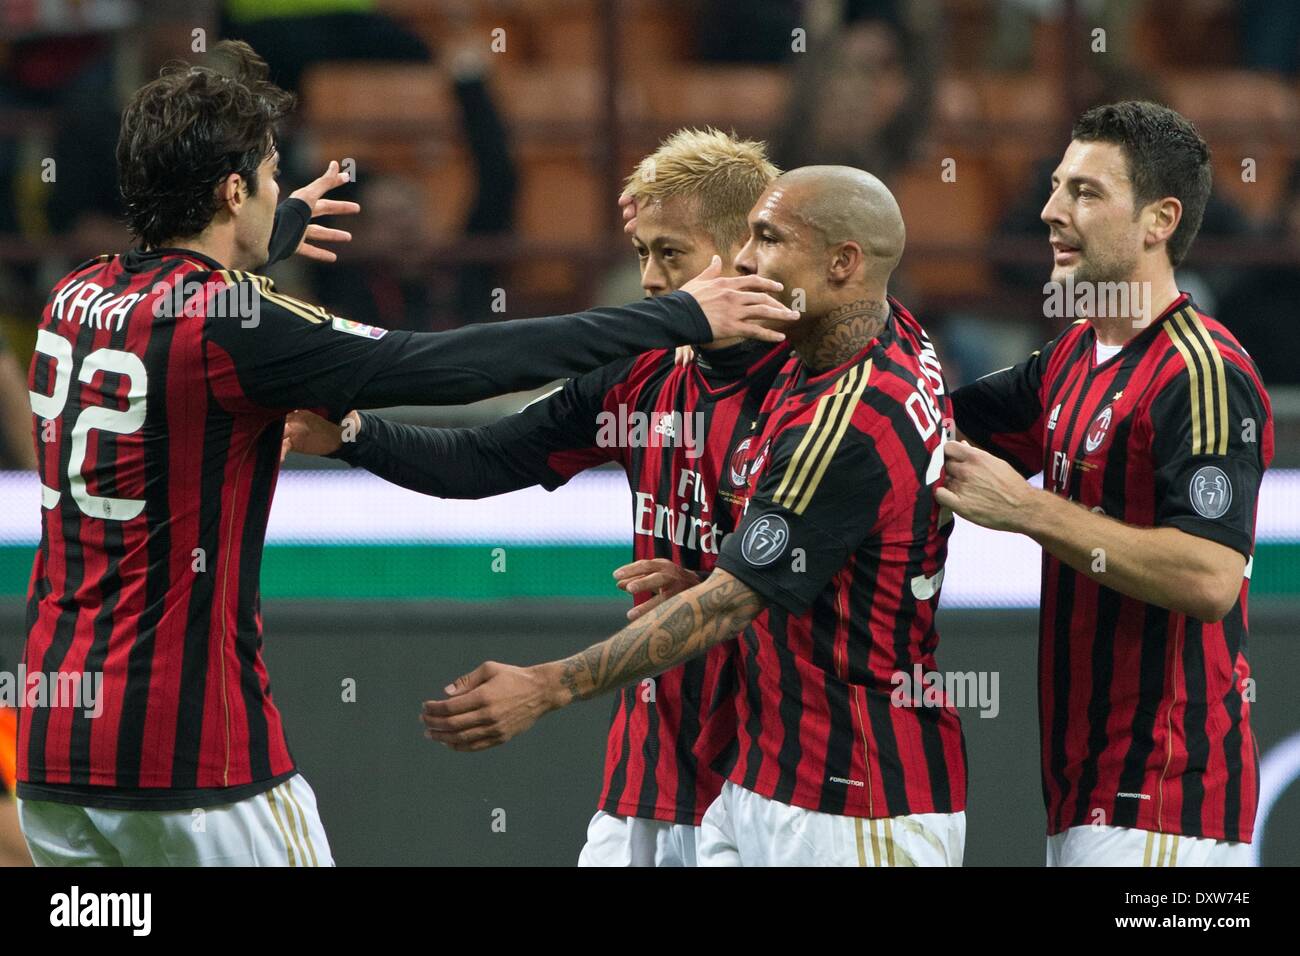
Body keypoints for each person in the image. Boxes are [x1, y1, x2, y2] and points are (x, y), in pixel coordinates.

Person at [15, 41, 793, 868]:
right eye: (273, 178)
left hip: (56, 753)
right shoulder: (236, 323)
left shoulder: (76, 293)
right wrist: (676, 317)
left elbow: (183, 281)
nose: (285, 190)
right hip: (191, 755)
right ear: (232, 190)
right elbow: (448, 367)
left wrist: (275, 234)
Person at [420, 166, 967, 867]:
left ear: (843, 264)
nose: (742, 259)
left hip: (852, 795)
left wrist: (548, 686)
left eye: (766, 240)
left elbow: (729, 605)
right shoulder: (861, 339)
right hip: (763, 782)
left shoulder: (849, 415)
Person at [286, 128, 787, 867]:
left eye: (670, 253)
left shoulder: (814, 389)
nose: (649, 280)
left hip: (769, 781)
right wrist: (354, 436)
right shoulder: (641, 373)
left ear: (743, 248)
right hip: (647, 775)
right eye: (642, 251)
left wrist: (722, 586)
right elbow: (488, 456)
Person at [945, 101, 1272, 866]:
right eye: (1059, 186)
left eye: (1086, 193)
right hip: (1088, 797)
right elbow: (927, 430)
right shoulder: (1069, 359)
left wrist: (1027, 509)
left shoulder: (1204, 374)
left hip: (1170, 802)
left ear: (1159, 220)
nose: (1051, 211)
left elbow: (1209, 573)